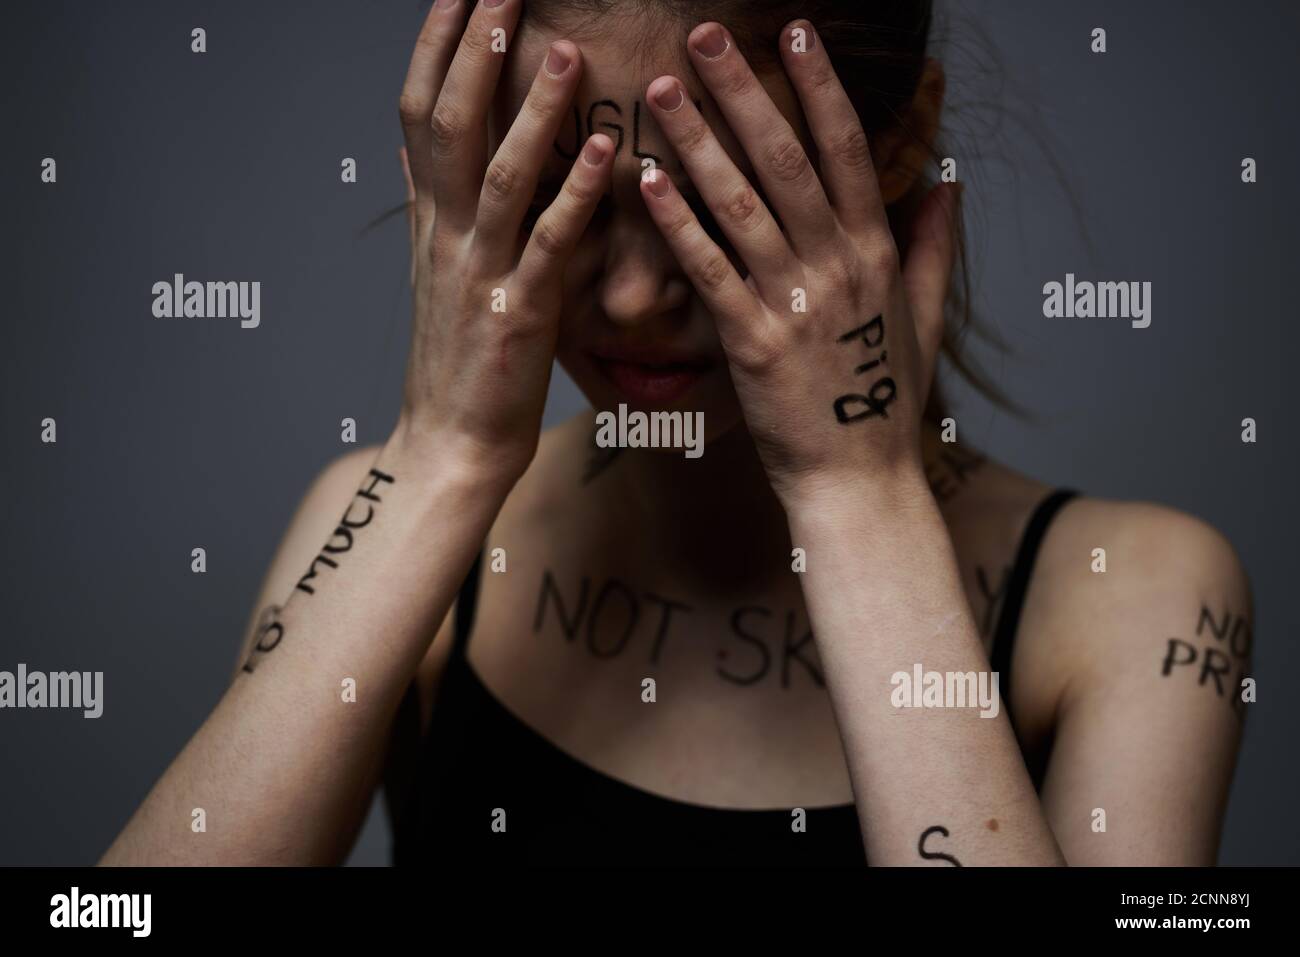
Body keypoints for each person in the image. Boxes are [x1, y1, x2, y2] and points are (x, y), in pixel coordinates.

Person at [102, 0, 1251, 867]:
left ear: (899, 143)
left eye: (712, 198)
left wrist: (859, 495)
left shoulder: (1136, 597)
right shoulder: (385, 518)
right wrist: (438, 461)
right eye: (561, 191)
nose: (636, 298)